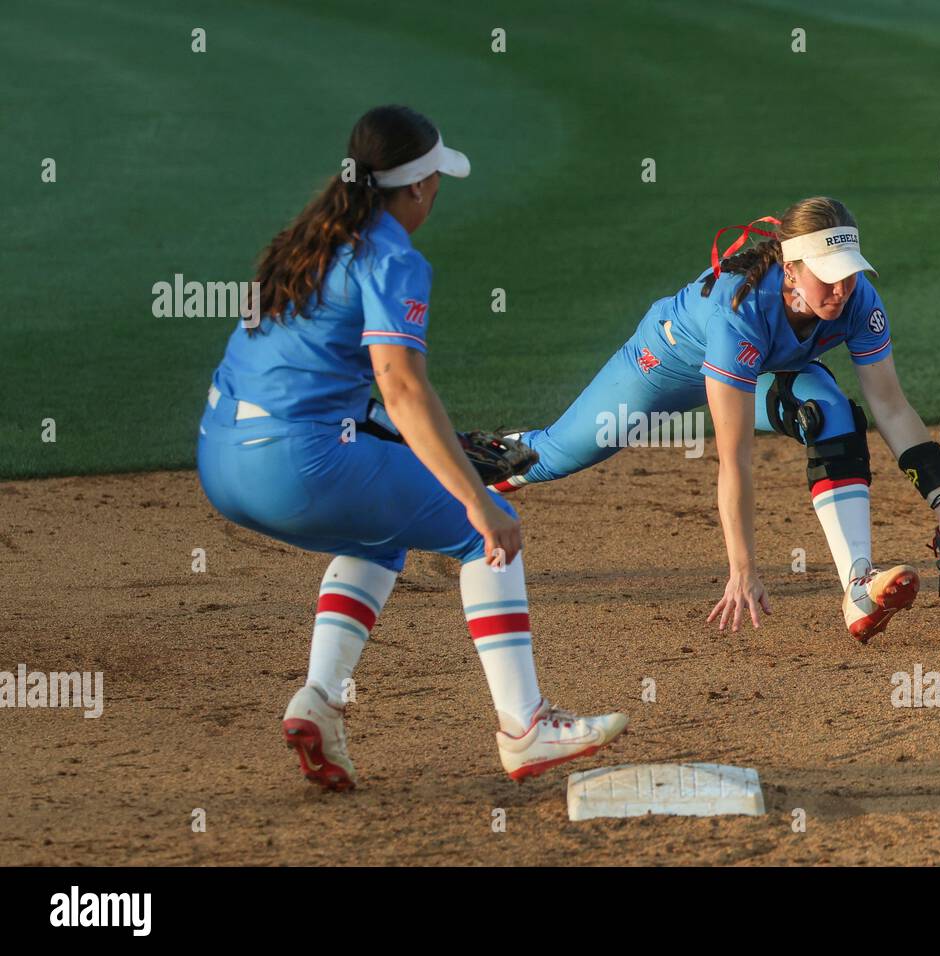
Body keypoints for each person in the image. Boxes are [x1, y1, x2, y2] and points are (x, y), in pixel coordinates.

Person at [197, 105, 626, 791]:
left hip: (221, 460)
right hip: (296, 467)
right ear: (420, 187)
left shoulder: (301, 242)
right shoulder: (391, 258)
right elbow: (400, 389)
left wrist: (431, 450)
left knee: (380, 529)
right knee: (478, 529)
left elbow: (316, 387)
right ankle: (526, 725)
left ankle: (320, 699)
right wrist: (473, 497)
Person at [493, 197, 940, 640]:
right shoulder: (742, 309)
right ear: (791, 269)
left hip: (756, 370)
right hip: (662, 370)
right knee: (552, 456)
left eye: (850, 273)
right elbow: (734, 460)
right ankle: (448, 466)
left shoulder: (858, 302)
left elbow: (892, 407)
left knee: (829, 414)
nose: (841, 289)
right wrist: (743, 567)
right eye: (827, 275)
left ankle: (858, 587)